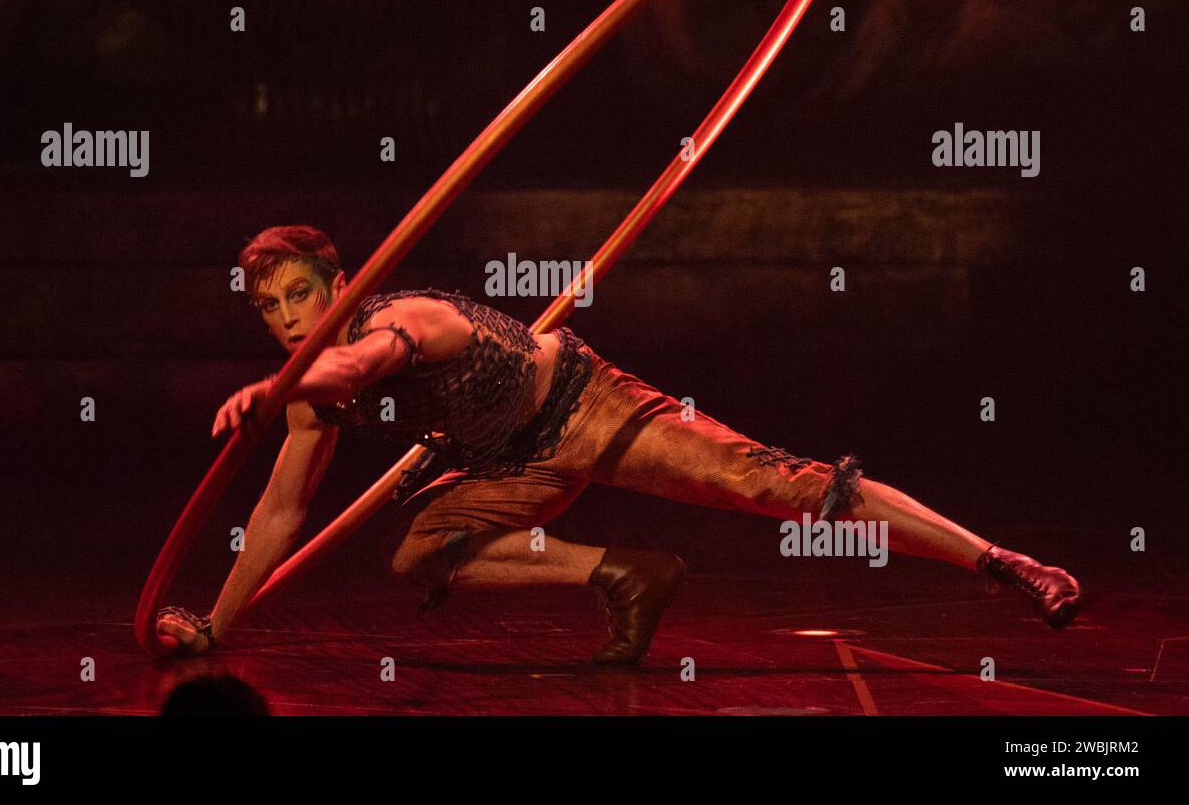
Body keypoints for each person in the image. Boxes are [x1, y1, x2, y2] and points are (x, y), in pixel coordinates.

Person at [156, 224, 1083, 664]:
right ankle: (623, 574)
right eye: (270, 309)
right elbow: (279, 512)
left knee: (783, 487)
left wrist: (281, 387)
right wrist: (212, 628)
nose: (286, 322)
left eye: (300, 298)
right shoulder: (310, 392)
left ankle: (1000, 561)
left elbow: (360, 367)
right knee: (422, 550)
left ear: (339, 284)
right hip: (512, 463)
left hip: (591, 407)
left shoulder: (407, 316)